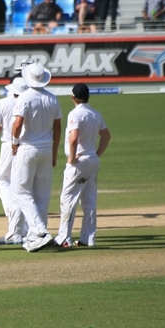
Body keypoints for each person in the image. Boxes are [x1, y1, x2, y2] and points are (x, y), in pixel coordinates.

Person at [11, 63, 62, 252]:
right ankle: (35, 237)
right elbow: (57, 129)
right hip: (46, 149)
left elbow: (17, 125)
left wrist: (14, 142)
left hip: (27, 148)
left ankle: (40, 231)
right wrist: (55, 152)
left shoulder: (24, 97)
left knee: (20, 191)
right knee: (42, 195)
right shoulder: (53, 99)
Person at [55, 83, 110, 248]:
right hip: (92, 160)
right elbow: (106, 136)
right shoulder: (95, 114)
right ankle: (88, 238)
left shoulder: (75, 114)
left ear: (73, 97)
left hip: (78, 162)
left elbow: (73, 138)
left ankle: (64, 238)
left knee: (68, 199)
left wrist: (71, 158)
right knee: (89, 200)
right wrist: (96, 154)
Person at [0, 71, 30, 245]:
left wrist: (4, 131)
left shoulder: (3, 102)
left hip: (8, 145)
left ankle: (13, 213)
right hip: (27, 146)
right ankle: (26, 229)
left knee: (2, 182)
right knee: (23, 185)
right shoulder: (29, 101)